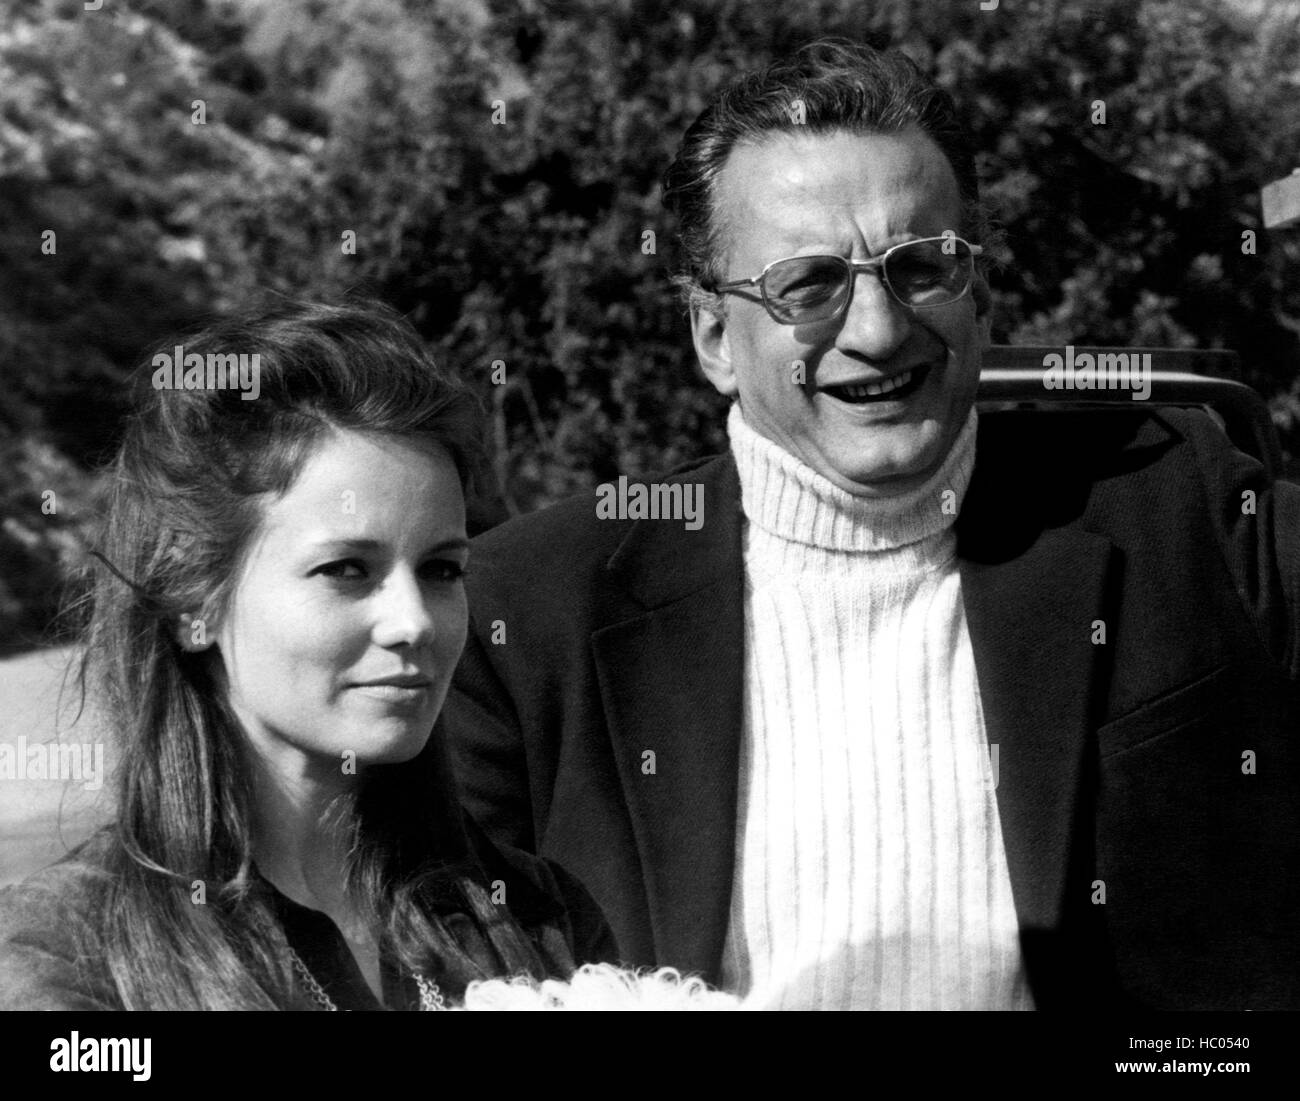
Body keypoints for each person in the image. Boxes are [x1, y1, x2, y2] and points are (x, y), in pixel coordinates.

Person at [443, 39, 1300, 1010]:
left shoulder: (1175, 504)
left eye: (919, 267)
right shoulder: (524, 619)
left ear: (975, 288)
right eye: (807, 285)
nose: (879, 330)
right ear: (713, 333)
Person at [0, 298, 615, 1010]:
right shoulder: (68, 955)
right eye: (347, 569)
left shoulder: (542, 924)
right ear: (193, 599)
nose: (413, 621)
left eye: (442, 568)